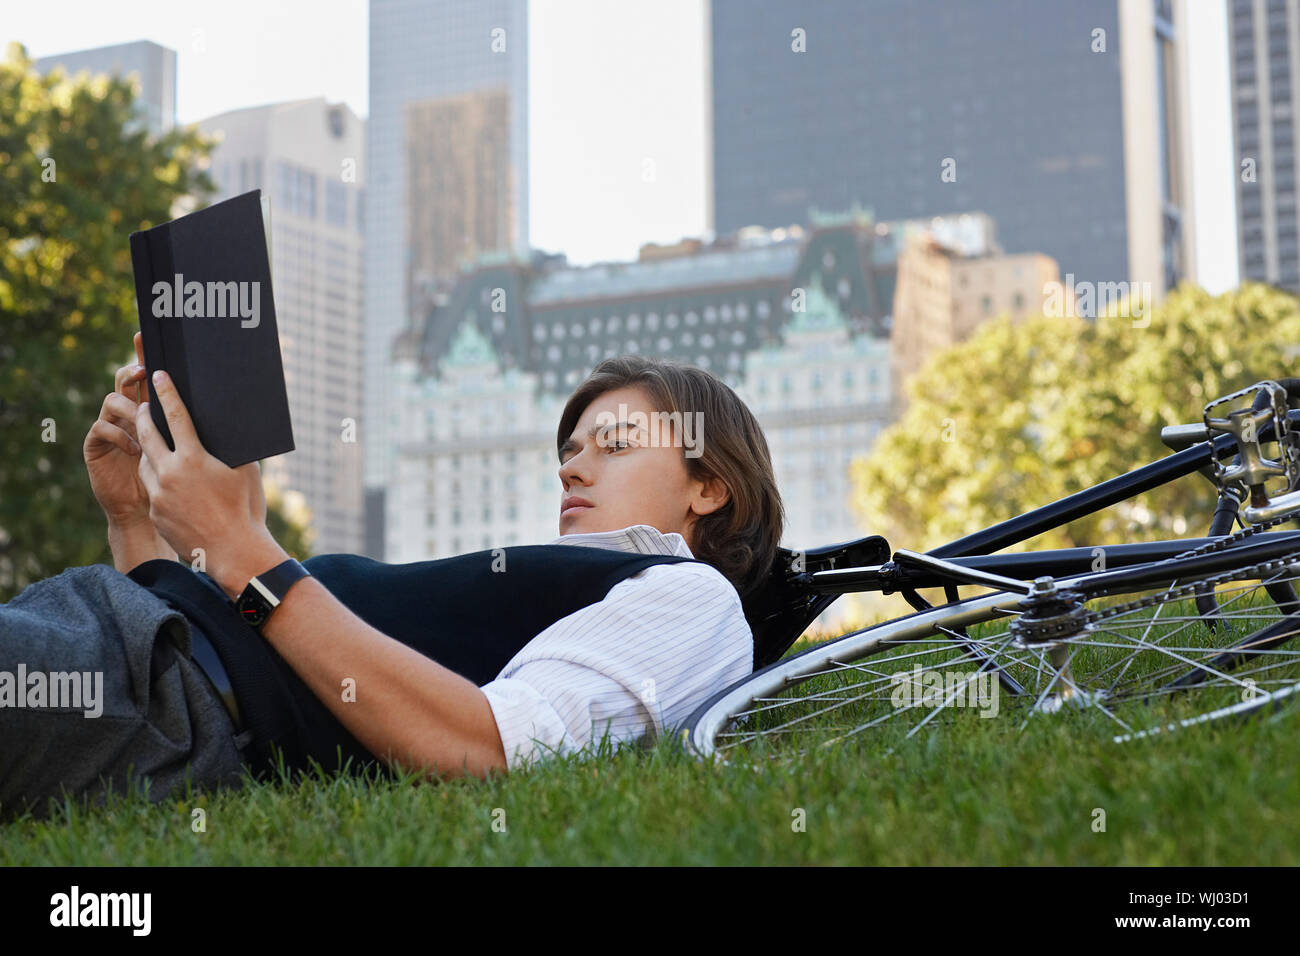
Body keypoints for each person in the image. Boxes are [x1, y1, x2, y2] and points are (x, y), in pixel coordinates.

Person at [0, 336, 783, 819]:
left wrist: (242, 549)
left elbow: (492, 748)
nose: (572, 467)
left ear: (709, 486)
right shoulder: (572, 586)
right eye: (569, 450)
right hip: (123, 643)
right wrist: (134, 521)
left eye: (614, 446)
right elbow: (202, 630)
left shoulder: (695, 599)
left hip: (152, 692)